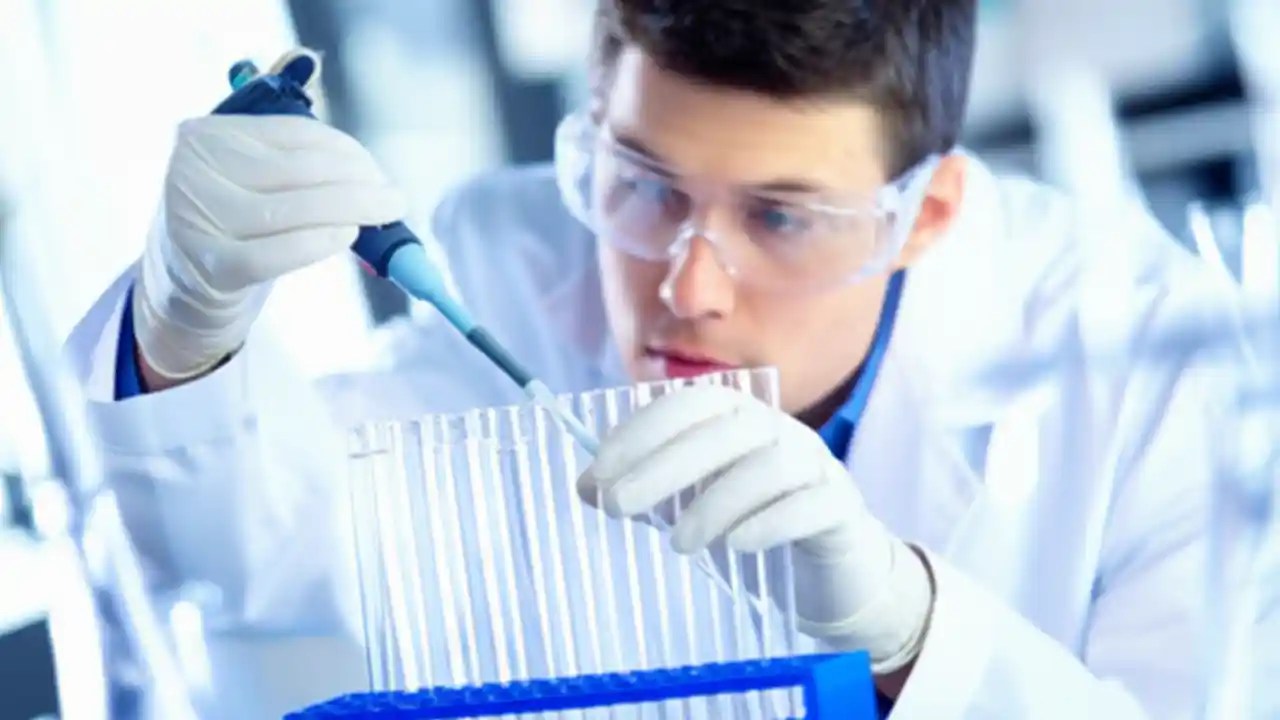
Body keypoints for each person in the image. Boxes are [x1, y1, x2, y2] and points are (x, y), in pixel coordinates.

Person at [62, 1, 1265, 718]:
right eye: (642, 186)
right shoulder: (523, 270)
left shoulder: (1148, 368)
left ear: (925, 215)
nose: (688, 287)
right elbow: (258, 555)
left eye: (781, 216)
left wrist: (912, 634)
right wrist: (184, 325)